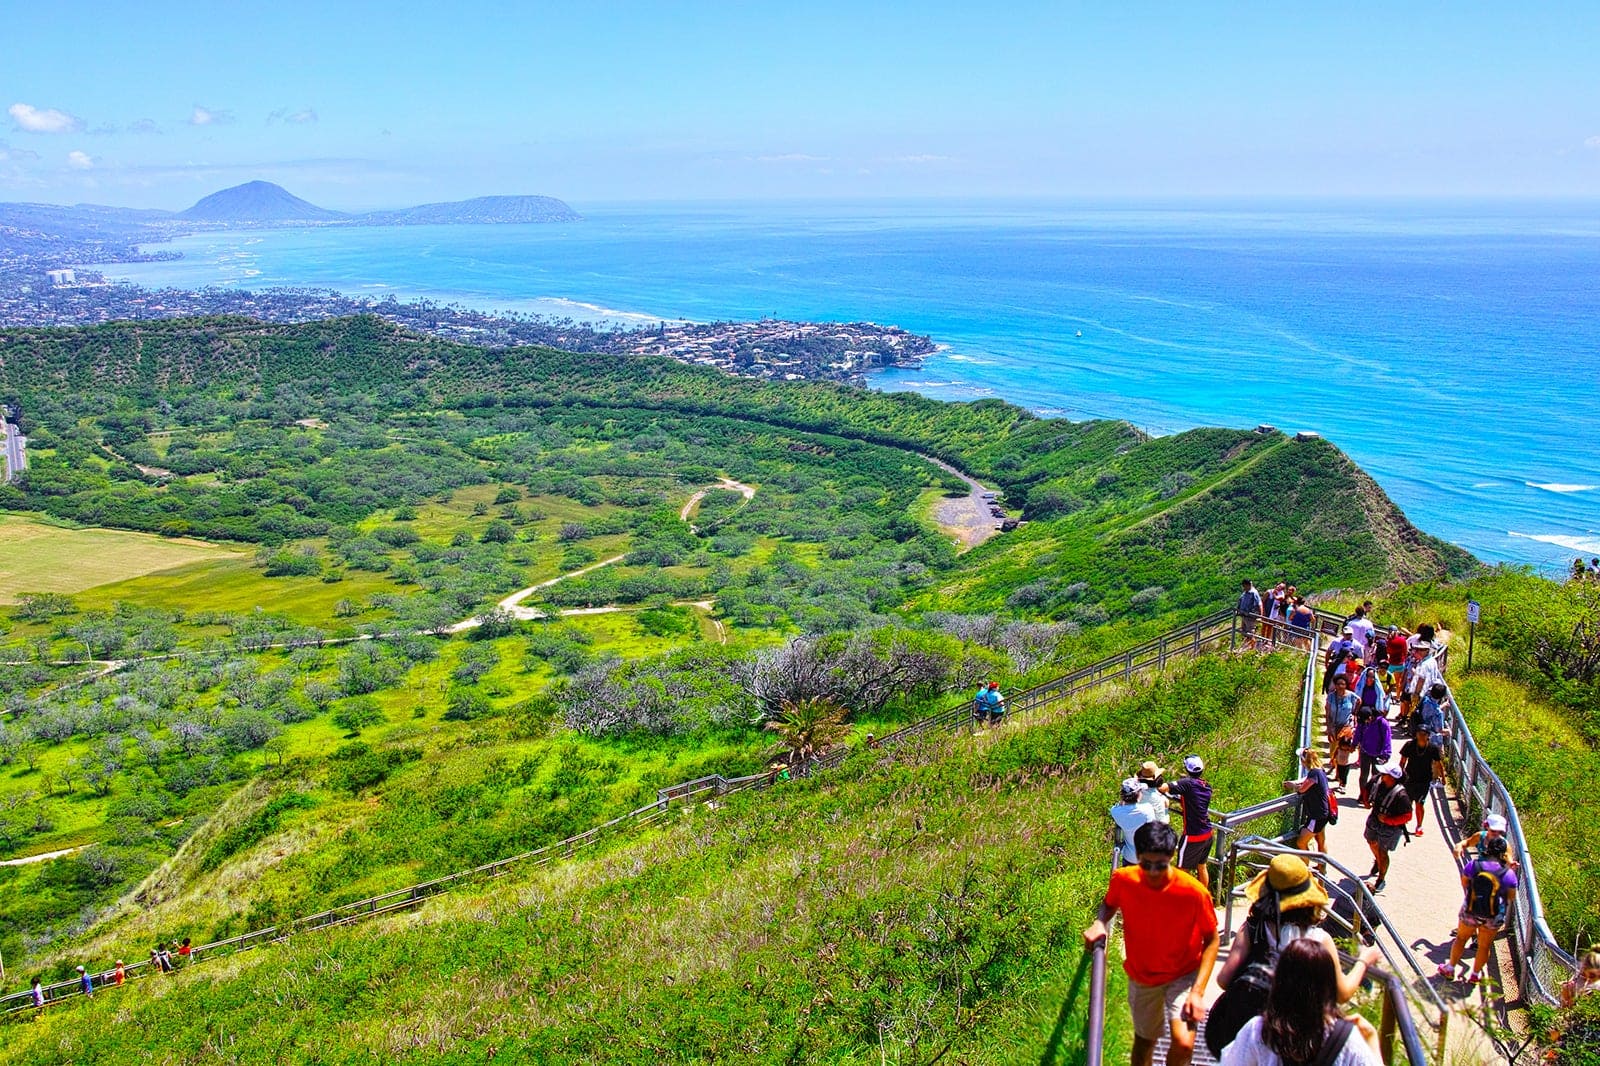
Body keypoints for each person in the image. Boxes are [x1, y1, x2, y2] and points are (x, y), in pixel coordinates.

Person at [1208, 857, 1382, 1055]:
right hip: (1291, 1040)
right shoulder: (1318, 939)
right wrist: (1363, 961)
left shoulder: (1252, 928)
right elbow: (1341, 994)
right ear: (1307, 900)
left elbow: (1223, 980)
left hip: (1242, 1033)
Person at [1083, 821, 1219, 1066]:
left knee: (1184, 1042)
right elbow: (1109, 904)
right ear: (1138, 857)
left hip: (1183, 974)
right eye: (1146, 864)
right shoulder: (1124, 879)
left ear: (1172, 857)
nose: (1153, 872)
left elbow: (1211, 939)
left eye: (1161, 865)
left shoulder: (1194, 892)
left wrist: (1197, 993)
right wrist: (1100, 923)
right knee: (1144, 1042)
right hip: (1143, 975)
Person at [1220, 938, 1382, 1065]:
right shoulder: (1347, 1040)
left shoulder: (1260, 1031)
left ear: (1279, 981)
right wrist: (1372, 1038)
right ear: (1328, 987)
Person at [1438, 836, 1519, 984]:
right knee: (1484, 945)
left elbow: (1465, 882)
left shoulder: (1473, 865)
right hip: (1493, 916)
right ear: (1504, 854)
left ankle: (1450, 968)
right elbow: (1511, 897)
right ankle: (1475, 975)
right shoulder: (1509, 875)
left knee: (1461, 938)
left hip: (1471, 910)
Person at [1163, 755, 1215, 891]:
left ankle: (1181, 902)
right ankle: (1203, 897)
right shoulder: (1206, 786)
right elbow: (1194, 799)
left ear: (1187, 769)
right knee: (1201, 866)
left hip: (1193, 835)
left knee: (1181, 870)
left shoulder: (1186, 783)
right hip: (1208, 833)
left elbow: (1163, 788)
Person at [1363, 759, 1412, 892]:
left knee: (1383, 851)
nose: (1381, 775)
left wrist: (1388, 820)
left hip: (1390, 827)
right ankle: (1378, 862)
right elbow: (1366, 788)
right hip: (1374, 819)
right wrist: (1366, 801)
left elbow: (1407, 816)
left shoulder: (1401, 796)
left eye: (1384, 774)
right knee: (1371, 841)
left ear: (1391, 778)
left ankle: (1381, 878)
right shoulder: (1377, 780)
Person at [1284, 747, 1333, 862]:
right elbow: (1307, 781)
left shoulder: (1314, 773)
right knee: (1321, 840)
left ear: (1303, 760)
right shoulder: (1319, 770)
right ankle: (1322, 867)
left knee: (1301, 842)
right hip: (1324, 812)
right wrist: (1295, 783)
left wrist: (1292, 786)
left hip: (1316, 815)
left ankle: (1306, 866)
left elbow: (1302, 789)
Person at [1398, 725, 1443, 836]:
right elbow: (1402, 761)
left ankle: (1419, 826)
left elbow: (1438, 764)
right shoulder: (1409, 745)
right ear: (1416, 734)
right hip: (1409, 779)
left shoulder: (1433, 748)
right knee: (1406, 803)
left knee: (1419, 804)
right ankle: (1402, 823)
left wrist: (1443, 777)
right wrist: (1399, 775)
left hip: (1424, 780)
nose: (1421, 736)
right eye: (1419, 733)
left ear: (1428, 736)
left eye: (1424, 734)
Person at [1112, 777, 1160, 867]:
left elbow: (1117, 806)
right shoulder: (1147, 809)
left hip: (1129, 857)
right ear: (1138, 794)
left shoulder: (1115, 812)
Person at [1323, 676, 1358, 780]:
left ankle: (1340, 778)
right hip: (1334, 727)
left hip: (1346, 728)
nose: (1340, 686)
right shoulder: (1331, 697)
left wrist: (1354, 714)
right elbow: (1328, 713)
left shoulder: (1351, 696)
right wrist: (1329, 729)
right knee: (1333, 751)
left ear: (1346, 685)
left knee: (1343, 754)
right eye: (1338, 684)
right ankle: (1334, 766)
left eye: (1342, 684)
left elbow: (1359, 701)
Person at [1355, 705, 1391, 801]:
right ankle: (1363, 794)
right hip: (1365, 752)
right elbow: (1358, 732)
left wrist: (1386, 755)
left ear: (1371, 717)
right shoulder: (1363, 723)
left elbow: (1387, 740)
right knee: (1363, 776)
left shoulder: (1382, 723)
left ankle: (1373, 796)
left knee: (1376, 778)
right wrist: (1354, 744)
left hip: (1378, 755)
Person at [1239, 579, 1264, 647]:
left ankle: (1252, 648)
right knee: (1244, 633)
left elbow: (1260, 604)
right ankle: (1247, 646)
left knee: (1250, 633)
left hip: (1250, 617)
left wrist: (1260, 616)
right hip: (1244, 616)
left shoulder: (1253, 593)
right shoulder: (1245, 593)